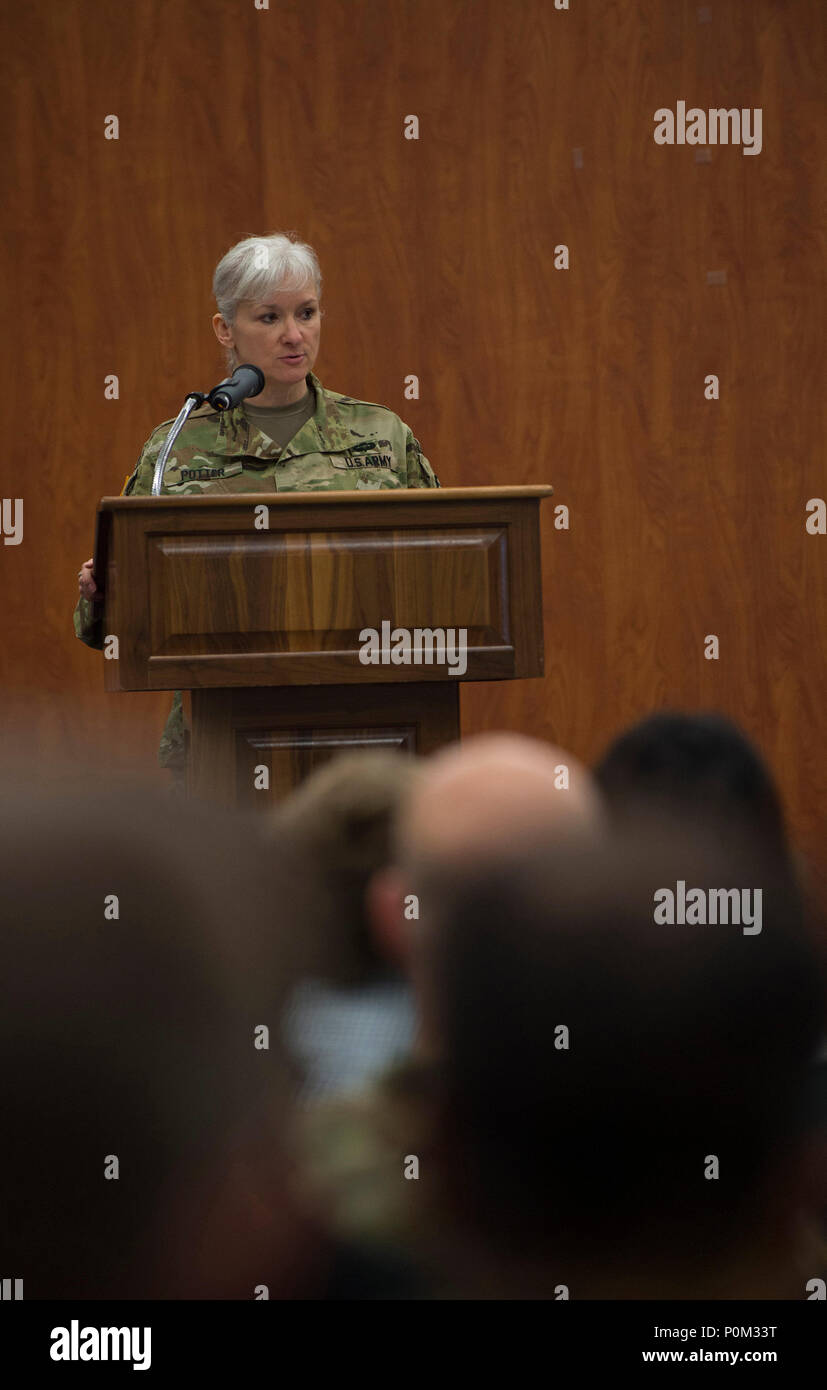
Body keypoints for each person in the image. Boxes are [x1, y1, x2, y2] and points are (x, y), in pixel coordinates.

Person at [74, 232, 439, 777]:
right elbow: (110, 626)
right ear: (226, 329)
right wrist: (101, 592)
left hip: (372, 728)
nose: (294, 335)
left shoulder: (382, 434)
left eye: (307, 313)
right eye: (269, 317)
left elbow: (441, 568)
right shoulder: (178, 444)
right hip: (223, 734)